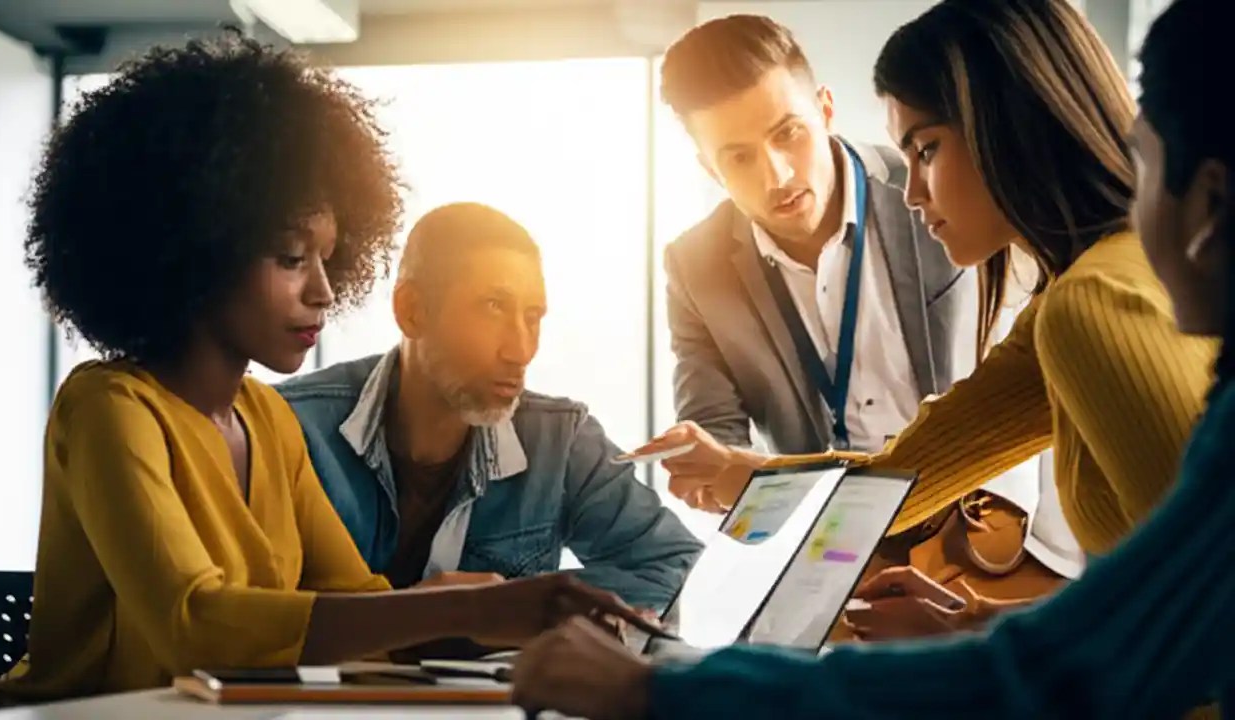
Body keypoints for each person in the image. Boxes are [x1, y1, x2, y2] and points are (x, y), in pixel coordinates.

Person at [510, 0, 1235, 715]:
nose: (912, 190)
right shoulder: (1068, 305)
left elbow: (1155, 646)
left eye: (927, 150)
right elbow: (901, 479)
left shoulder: (1093, 303)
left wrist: (660, 690)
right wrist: (975, 626)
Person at [0, 34, 647, 706]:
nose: (325, 292)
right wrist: (458, 613)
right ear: (194, 250)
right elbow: (196, 625)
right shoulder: (108, 409)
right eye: (291, 258)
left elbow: (353, 600)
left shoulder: (268, 418)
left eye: (329, 259)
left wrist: (478, 605)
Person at [655, 13, 1077, 625]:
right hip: (837, 557)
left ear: (825, 109)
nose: (776, 175)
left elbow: (1021, 379)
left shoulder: (944, 186)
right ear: (707, 168)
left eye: (788, 133)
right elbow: (718, 445)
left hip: (1007, 541)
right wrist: (708, 470)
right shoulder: (693, 264)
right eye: (738, 157)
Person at [277, 202, 701, 610]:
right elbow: (246, 607)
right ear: (412, 311)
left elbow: (672, 563)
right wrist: (439, 615)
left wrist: (512, 609)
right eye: (493, 307)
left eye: (533, 316)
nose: (521, 351)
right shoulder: (290, 427)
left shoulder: (561, 441)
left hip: (500, 688)